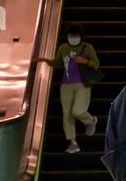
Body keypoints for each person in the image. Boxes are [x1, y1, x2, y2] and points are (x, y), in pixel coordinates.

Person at [37, 23, 100, 154]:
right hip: (65, 85)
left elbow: (96, 64)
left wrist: (85, 61)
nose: (73, 38)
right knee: (67, 114)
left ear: (81, 36)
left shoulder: (87, 48)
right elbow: (58, 63)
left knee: (77, 111)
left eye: (75, 36)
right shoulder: (63, 48)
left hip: (82, 84)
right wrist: (45, 60)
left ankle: (90, 120)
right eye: (70, 36)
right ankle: (73, 143)